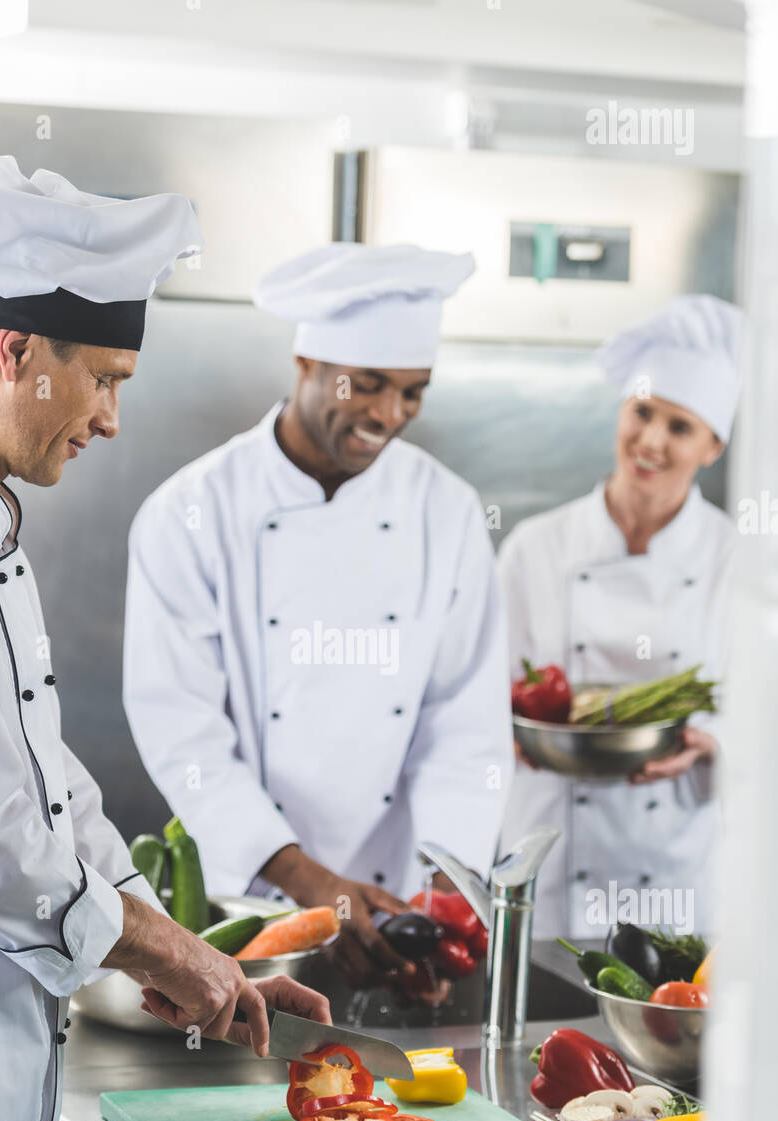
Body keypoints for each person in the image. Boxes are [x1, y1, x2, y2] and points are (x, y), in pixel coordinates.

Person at [0, 156, 330, 1121]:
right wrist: (164, 949)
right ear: (15, 350)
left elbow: (51, 795)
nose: (108, 417)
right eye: (102, 378)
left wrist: (210, 963)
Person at [123, 242, 513, 988]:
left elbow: (464, 728)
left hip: (398, 900)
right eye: (365, 384)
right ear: (305, 364)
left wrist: (435, 907)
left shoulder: (448, 512)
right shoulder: (190, 512)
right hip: (257, 899)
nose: (388, 415)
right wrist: (303, 879)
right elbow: (181, 730)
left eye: (411, 392)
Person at [497, 294, 742, 940]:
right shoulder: (535, 545)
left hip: (669, 867)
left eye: (680, 426)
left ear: (712, 445)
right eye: (641, 412)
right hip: (549, 856)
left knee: (659, 1021)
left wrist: (710, 740)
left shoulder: (736, 561)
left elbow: (760, 712)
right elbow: (484, 694)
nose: (651, 441)